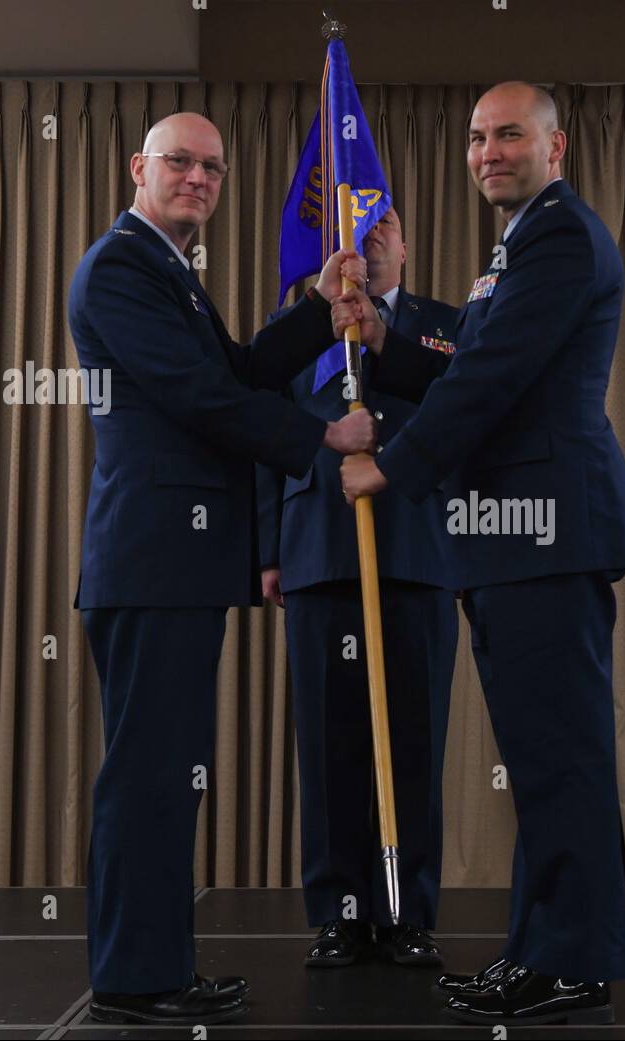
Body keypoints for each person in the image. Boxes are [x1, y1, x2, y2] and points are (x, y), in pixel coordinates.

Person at [336, 81, 625, 1025]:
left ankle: (569, 960)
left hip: (547, 528)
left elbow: (496, 377)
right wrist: (385, 336)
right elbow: (470, 350)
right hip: (513, 537)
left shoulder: (557, 235)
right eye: (476, 137)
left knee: (559, 755)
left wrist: (392, 463)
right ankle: (544, 949)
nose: (487, 151)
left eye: (508, 134)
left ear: (557, 146)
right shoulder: (516, 246)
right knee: (543, 752)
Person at [68, 111, 376, 1025]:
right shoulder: (123, 266)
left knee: (168, 771)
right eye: (180, 162)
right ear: (139, 168)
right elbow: (200, 398)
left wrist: (318, 307)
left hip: (177, 567)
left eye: (212, 166)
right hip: (152, 564)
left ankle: (153, 966)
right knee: (151, 775)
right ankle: (134, 977)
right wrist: (323, 434)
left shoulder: (169, 271)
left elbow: (237, 371)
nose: (198, 178)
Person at [256, 206, 461, 968]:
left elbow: (468, 414)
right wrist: (268, 549)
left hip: (417, 549)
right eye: (356, 228)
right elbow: (260, 434)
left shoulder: (447, 326)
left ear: (406, 243)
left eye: (383, 228)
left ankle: (407, 912)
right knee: (331, 742)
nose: (369, 240)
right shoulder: (297, 325)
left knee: (414, 742)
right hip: (316, 549)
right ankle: (341, 912)